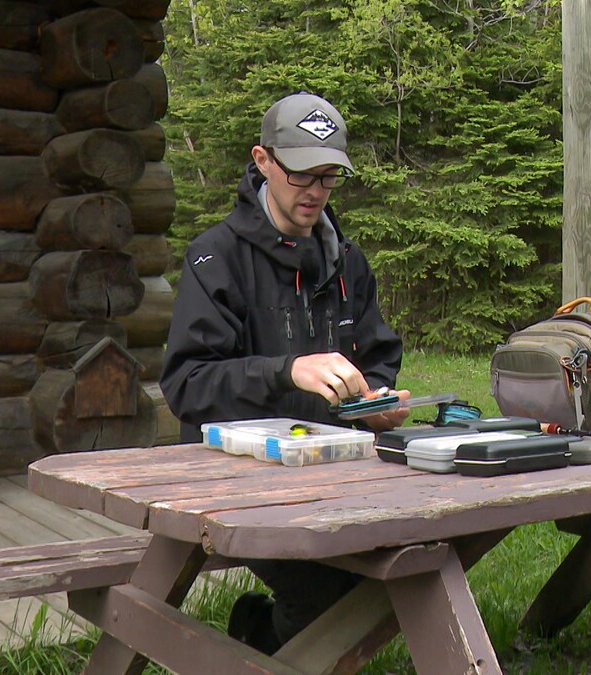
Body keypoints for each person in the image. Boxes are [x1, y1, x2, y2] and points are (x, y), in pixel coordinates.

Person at [160, 92, 410, 653]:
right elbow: (187, 386)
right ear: (264, 160)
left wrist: (376, 401)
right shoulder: (213, 258)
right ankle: (263, 644)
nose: (316, 191)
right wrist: (285, 371)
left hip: (334, 470)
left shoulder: (349, 261)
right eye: (301, 174)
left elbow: (377, 356)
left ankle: (263, 634)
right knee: (332, 594)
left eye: (329, 177)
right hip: (232, 481)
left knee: (407, 564)